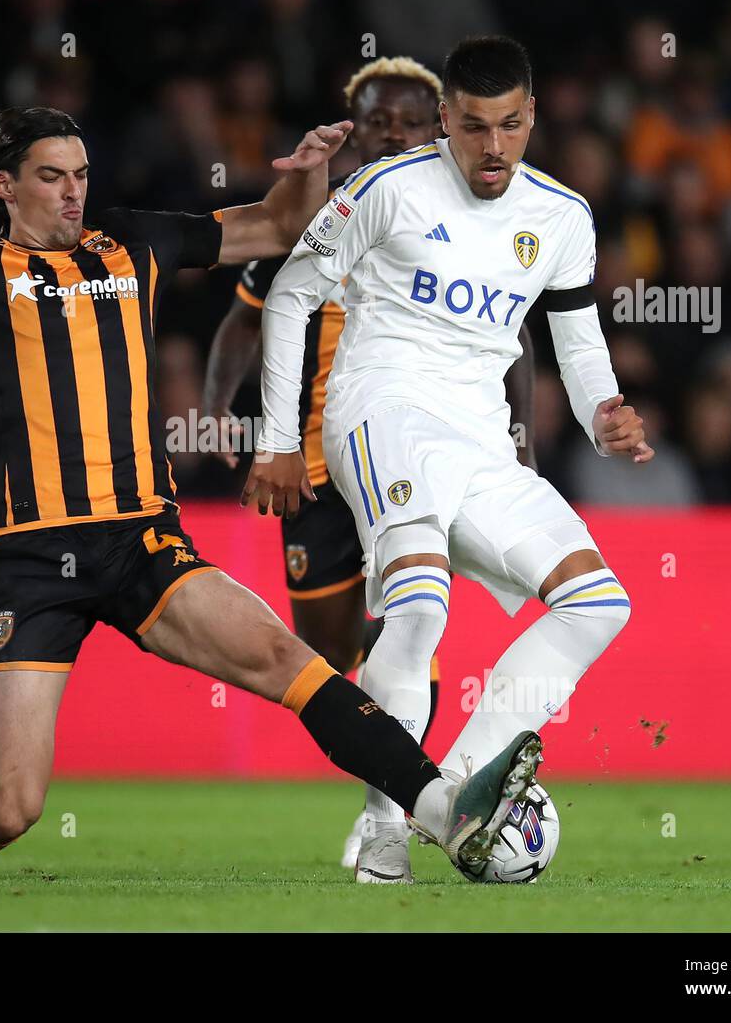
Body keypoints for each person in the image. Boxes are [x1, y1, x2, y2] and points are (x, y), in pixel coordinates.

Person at [0, 0, 542, 879]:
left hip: (140, 543)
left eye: (80, 172)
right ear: (6, 186)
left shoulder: (129, 246)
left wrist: (310, 174)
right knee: (8, 810)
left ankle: (446, 814)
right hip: (26, 555)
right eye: (51, 176)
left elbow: (273, 227)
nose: (73, 190)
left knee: (291, 658)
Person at [245, 35, 649, 884]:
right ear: (445, 122)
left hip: (479, 435)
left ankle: (457, 791)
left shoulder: (562, 217)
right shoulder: (384, 190)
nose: (493, 147)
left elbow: (578, 349)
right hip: (380, 408)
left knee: (598, 603)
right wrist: (278, 441)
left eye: (509, 126)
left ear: (532, 116)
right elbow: (289, 296)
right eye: (473, 128)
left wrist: (604, 412)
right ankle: (388, 825)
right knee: (421, 610)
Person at [202, 55, 538, 878]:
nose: (395, 133)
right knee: (325, 661)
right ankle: (389, 764)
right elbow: (245, 323)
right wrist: (217, 408)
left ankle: (385, 814)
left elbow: (514, 336)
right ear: (355, 127)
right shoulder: (315, 221)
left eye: (412, 121)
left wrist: (519, 433)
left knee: (410, 622)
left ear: (438, 128)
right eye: (380, 120)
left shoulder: (466, 222)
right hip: (316, 473)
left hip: (411, 462)